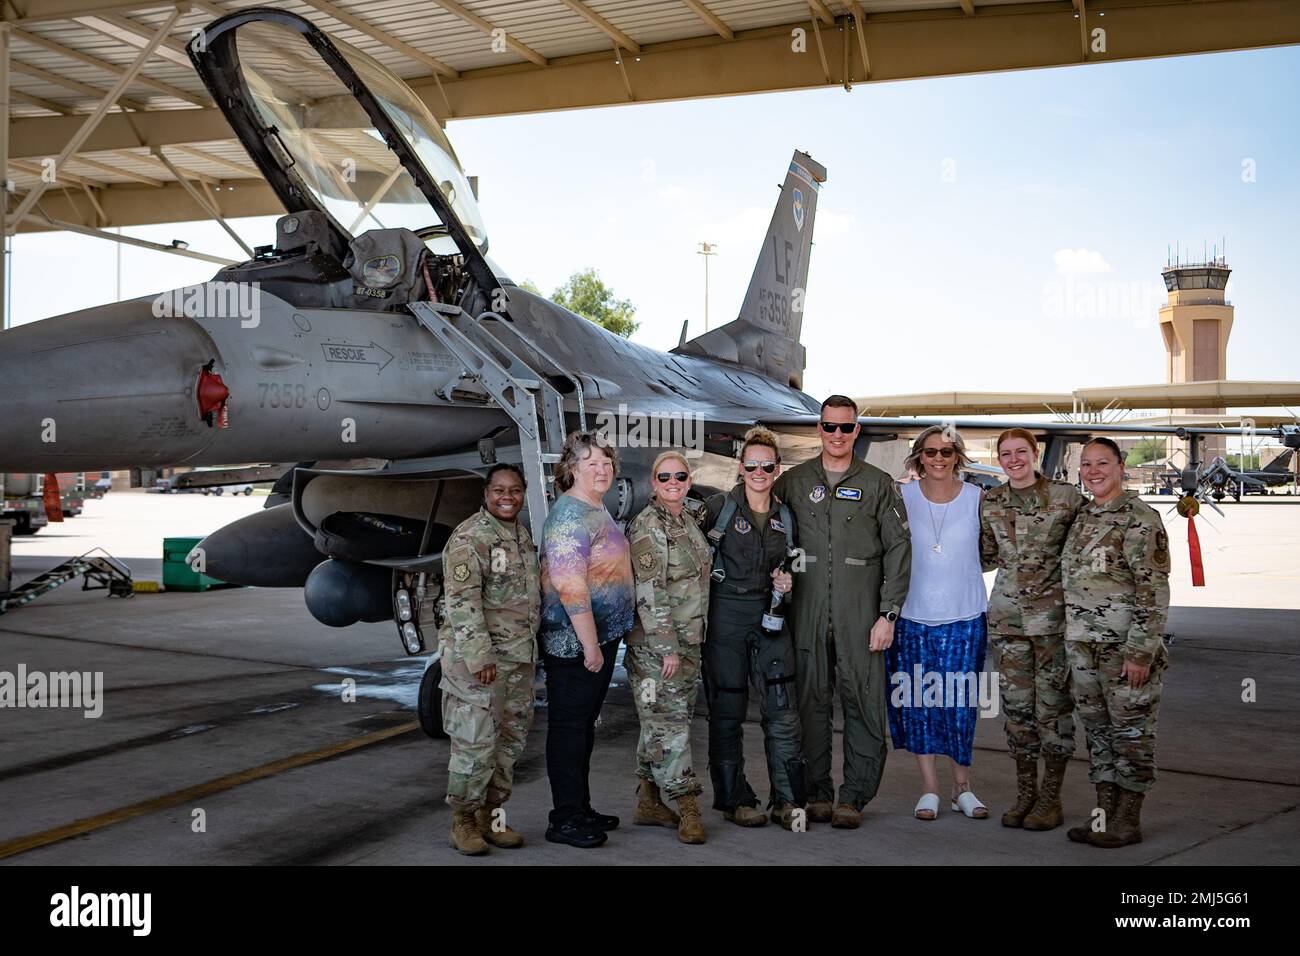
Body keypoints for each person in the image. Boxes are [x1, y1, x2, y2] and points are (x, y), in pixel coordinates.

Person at [773, 396, 911, 829]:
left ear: (856, 431)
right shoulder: (793, 482)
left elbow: (899, 549)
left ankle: (853, 796)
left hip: (861, 612)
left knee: (863, 704)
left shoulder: (877, 483)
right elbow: (766, 526)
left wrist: (888, 615)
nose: (837, 435)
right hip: (807, 611)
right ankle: (817, 792)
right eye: (829, 427)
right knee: (811, 702)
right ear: (819, 429)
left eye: (845, 428)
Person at [1061, 437, 1170, 848]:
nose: (1093, 471)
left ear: (1121, 466)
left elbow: (1153, 590)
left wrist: (1141, 651)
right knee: (1100, 735)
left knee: (1132, 735)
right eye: (1086, 464)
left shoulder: (1140, 519)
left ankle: (1129, 820)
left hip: (1124, 651)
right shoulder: (1084, 514)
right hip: (1084, 648)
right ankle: (1103, 817)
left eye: (1102, 463)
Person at [979, 427, 1085, 831]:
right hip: (1008, 623)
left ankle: (1051, 799)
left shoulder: (1066, 499)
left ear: (1035, 454)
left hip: (1054, 625)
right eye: (1005, 454)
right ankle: (1026, 793)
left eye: (1020, 452)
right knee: (1018, 712)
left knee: (1053, 711)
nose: (1014, 460)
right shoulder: (990, 502)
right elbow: (987, 556)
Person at [703, 426, 806, 829]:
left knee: (781, 710)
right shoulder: (715, 510)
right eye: (752, 465)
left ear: (777, 468)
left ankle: (786, 799)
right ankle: (735, 800)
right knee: (726, 709)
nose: (759, 471)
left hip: (771, 615)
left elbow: (798, 564)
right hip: (726, 613)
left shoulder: (786, 517)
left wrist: (789, 584)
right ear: (741, 467)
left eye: (767, 465)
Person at [887, 426, 990, 821]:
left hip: (964, 616)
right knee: (918, 703)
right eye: (930, 452)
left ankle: (962, 787)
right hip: (912, 617)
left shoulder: (978, 499)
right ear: (919, 456)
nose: (938, 459)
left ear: (957, 456)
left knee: (959, 704)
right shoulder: (902, 497)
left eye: (947, 452)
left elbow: (994, 550)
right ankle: (929, 788)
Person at [539, 431, 636, 848]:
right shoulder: (568, 517)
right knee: (568, 729)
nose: (601, 468)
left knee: (582, 729)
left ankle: (580, 807)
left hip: (599, 639)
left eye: (606, 461)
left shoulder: (596, 509)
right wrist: (591, 645)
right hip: (574, 644)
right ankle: (564, 819)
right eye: (590, 462)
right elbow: (570, 587)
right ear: (571, 469)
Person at [438, 463, 540, 855]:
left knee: (509, 745)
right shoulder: (469, 538)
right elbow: (462, 605)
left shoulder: (520, 535)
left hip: (517, 660)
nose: (507, 497)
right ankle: (462, 822)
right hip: (477, 663)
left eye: (514, 491)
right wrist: (481, 658)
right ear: (486, 493)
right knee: (475, 744)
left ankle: (491, 818)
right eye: (499, 490)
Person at [624, 451, 713, 844]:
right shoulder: (647, 526)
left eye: (680, 475)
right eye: (664, 477)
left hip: (689, 641)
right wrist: (667, 649)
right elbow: (650, 592)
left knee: (660, 723)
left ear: (689, 480)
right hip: (658, 649)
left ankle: (647, 799)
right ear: (653, 484)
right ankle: (688, 806)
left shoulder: (687, 520)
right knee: (670, 728)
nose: (673, 481)